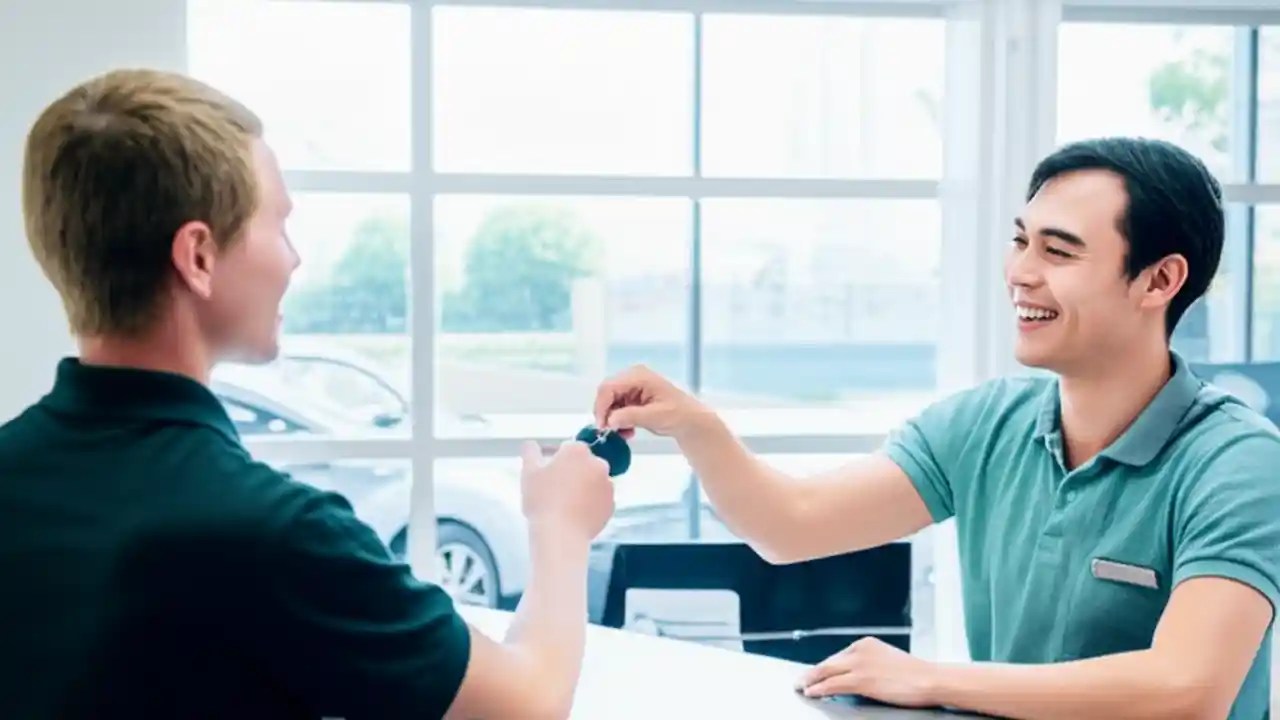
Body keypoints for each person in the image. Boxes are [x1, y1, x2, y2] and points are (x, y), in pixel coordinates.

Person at [594, 137, 1280, 719]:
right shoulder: (984, 425)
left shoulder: (1239, 463)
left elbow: (1188, 688)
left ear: (1159, 280)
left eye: (1059, 252)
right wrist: (696, 427)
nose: (1019, 273)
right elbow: (791, 525)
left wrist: (931, 677)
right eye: (1021, 242)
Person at [0, 68, 613, 720]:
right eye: (279, 224)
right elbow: (529, 705)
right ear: (198, 256)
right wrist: (560, 527)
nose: (294, 260)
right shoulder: (270, 536)